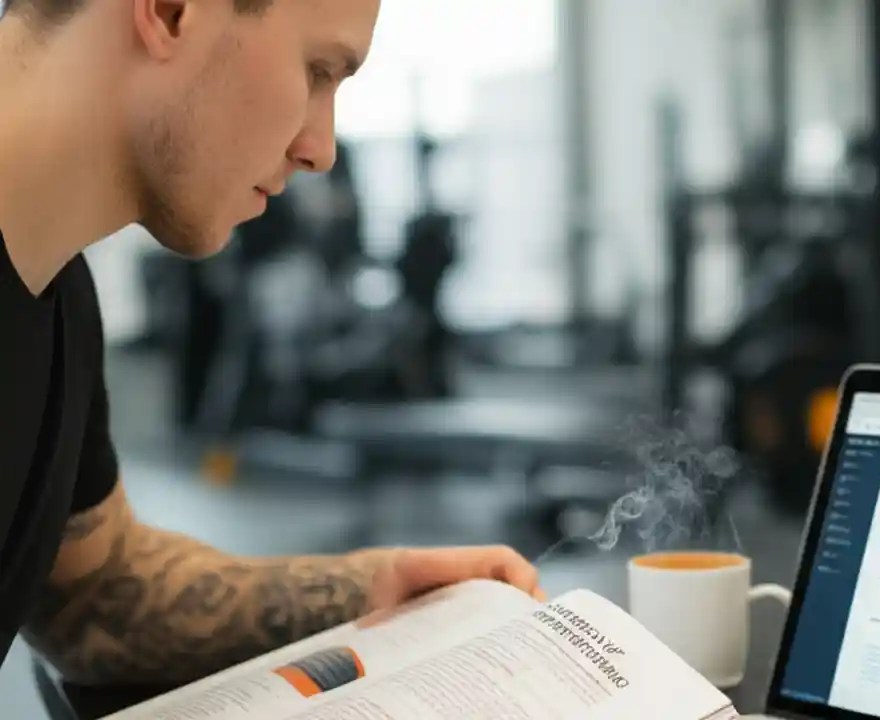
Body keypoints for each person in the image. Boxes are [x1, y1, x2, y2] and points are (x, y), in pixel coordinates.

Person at [0, 0, 545, 688]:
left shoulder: (60, 290)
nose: (320, 149)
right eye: (318, 70)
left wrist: (372, 588)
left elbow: (95, 595)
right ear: (171, 12)